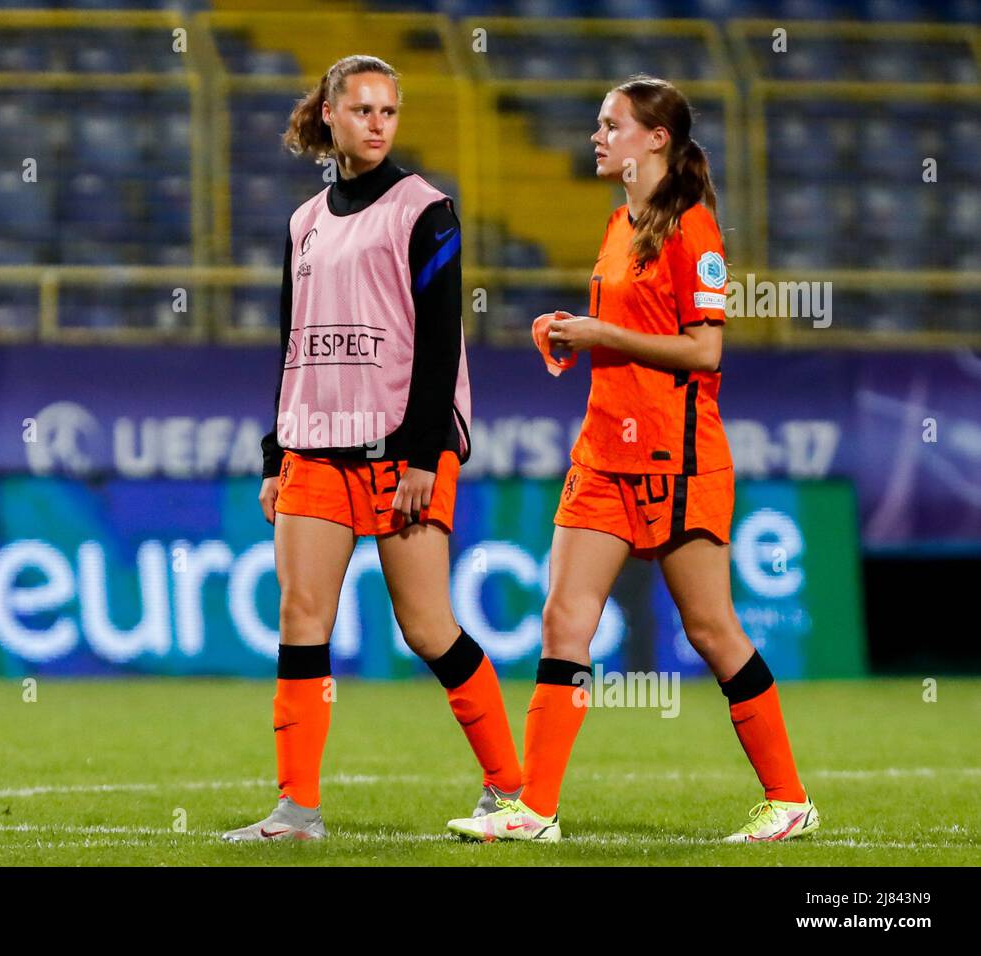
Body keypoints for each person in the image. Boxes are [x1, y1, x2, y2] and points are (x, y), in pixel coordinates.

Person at [447, 74, 819, 844]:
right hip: (603, 452)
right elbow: (620, 329)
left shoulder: (694, 229)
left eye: (611, 123)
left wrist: (603, 336)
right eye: (598, 123)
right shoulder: (621, 223)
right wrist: (568, 331)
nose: (597, 135)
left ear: (656, 139)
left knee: (712, 629)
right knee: (563, 618)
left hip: (675, 458)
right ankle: (536, 811)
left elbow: (705, 351)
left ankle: (789, 799)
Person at [222, 54, 522, 842]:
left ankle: (508, 787)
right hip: (317, 446)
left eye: (389, 111)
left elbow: (439, 339)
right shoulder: (303, 224)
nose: (379, 123)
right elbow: (292, 345)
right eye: (363, 110)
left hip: (402, 450)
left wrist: (425, 454)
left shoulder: (427, 211)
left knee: (426, 626)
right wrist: (274, 453)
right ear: (330, 114)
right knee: (300, 616)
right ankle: (297, 811)